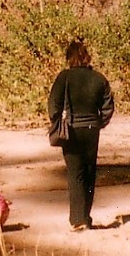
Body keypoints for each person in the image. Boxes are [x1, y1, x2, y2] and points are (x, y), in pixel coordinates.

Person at [47, 38, 114, 231]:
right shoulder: (99, 78)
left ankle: (78, 219)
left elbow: (53, 106)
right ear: (87, 57)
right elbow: (108, 106)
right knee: (89, 172)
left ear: (69, 58)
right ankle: (86, 216)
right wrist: (99, 123)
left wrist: (58, 121)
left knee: (75, 173)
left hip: (72, 129)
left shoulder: (64, 77)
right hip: (92, 129)